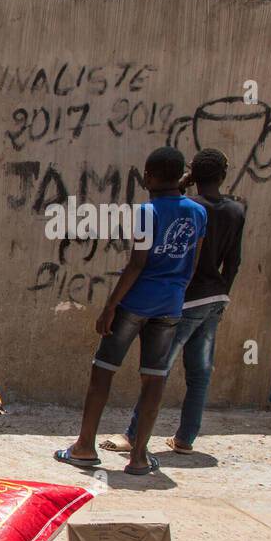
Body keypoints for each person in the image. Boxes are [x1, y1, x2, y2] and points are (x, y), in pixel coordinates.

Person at [56, 146, 206, 476]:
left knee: (103, 372)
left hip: (136, 303)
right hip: (170, 306)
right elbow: (192, 264)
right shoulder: (197, 213)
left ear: (149, 176)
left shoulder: (146, 212)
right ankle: (139, 456)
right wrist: (174, 292)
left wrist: (110, 307)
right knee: (154, 380)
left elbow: (137, 263)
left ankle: (84, 446)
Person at [102, 148, 244, 455]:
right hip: (215, 297)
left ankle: (134, 437)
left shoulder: (189, 206)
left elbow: (166, 199)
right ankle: (185, 438)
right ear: (221, 177)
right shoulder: (235, 210)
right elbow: (234, 261)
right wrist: (223, 292)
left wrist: (183, 180)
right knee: (200, 371)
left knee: (157, 370)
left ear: (193, 177)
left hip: (183, 299)